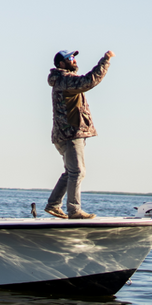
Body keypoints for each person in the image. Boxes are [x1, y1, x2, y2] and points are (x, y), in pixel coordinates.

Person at [45, 49, 113, 219]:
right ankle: (74, 211)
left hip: (63, 135)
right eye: (70, 58)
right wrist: (105, 60)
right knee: (78, 172)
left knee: (70, 172)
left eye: (74, 57)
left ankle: (53, 205)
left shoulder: (61, 80)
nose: (73, 60)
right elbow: (89, 81)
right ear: (61, 63)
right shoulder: (66, 79)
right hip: (71, 134)